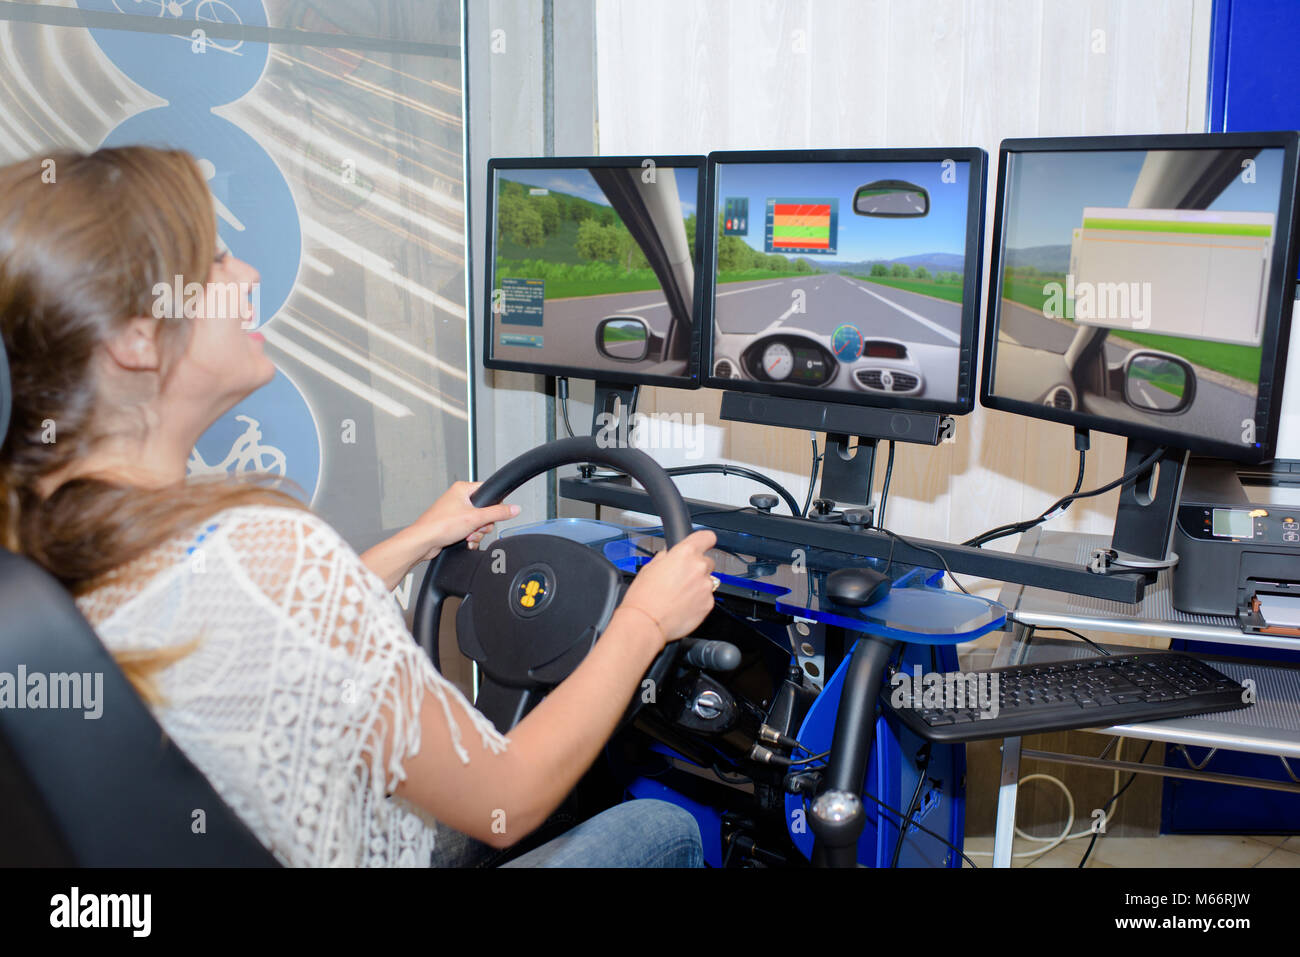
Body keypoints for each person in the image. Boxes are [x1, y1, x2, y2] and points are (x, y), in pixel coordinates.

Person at [0, 146, 719, 867]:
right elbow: (509, 794)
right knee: (660, 827)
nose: (248, 277)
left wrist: (418, 539)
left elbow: (250, 628)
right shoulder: (263, 550)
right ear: (135, 337)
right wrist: (645, 618)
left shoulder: (51, 539)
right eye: (216, 262)